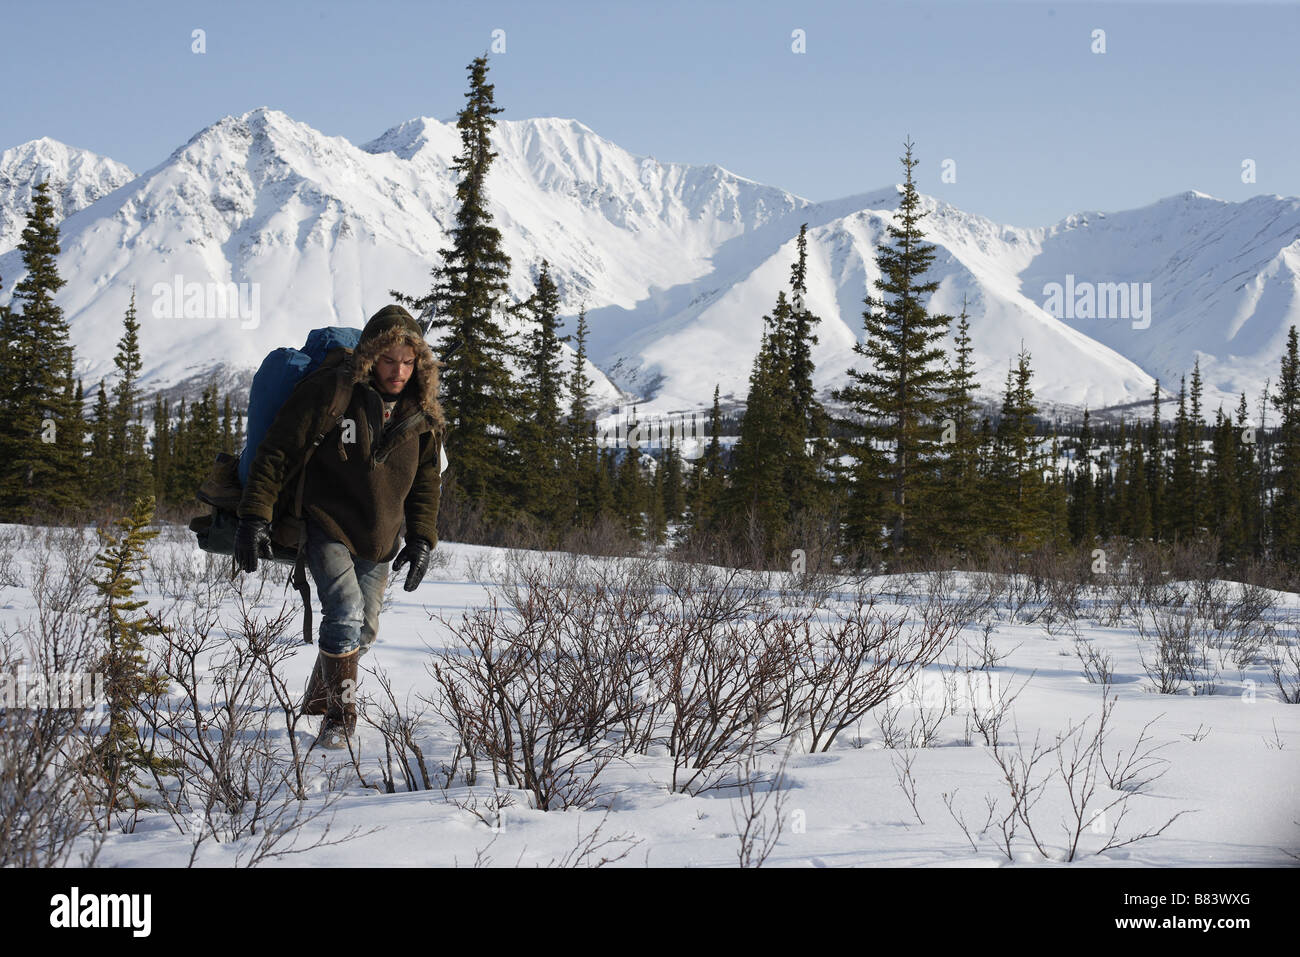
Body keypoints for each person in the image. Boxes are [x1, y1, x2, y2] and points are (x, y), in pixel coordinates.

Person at [233, 304, 446, 749]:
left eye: (409, 362)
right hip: (326, 523)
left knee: (364, 630)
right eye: (390, 360)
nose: (399, 371)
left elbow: (427, 480)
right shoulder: (335, 391)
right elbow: (277, 452)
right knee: (345, 613)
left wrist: (422, 537)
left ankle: (319, 696)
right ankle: (340, 715)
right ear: (372, 355)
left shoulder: (422, 412)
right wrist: (255, 515)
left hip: (380, 536)